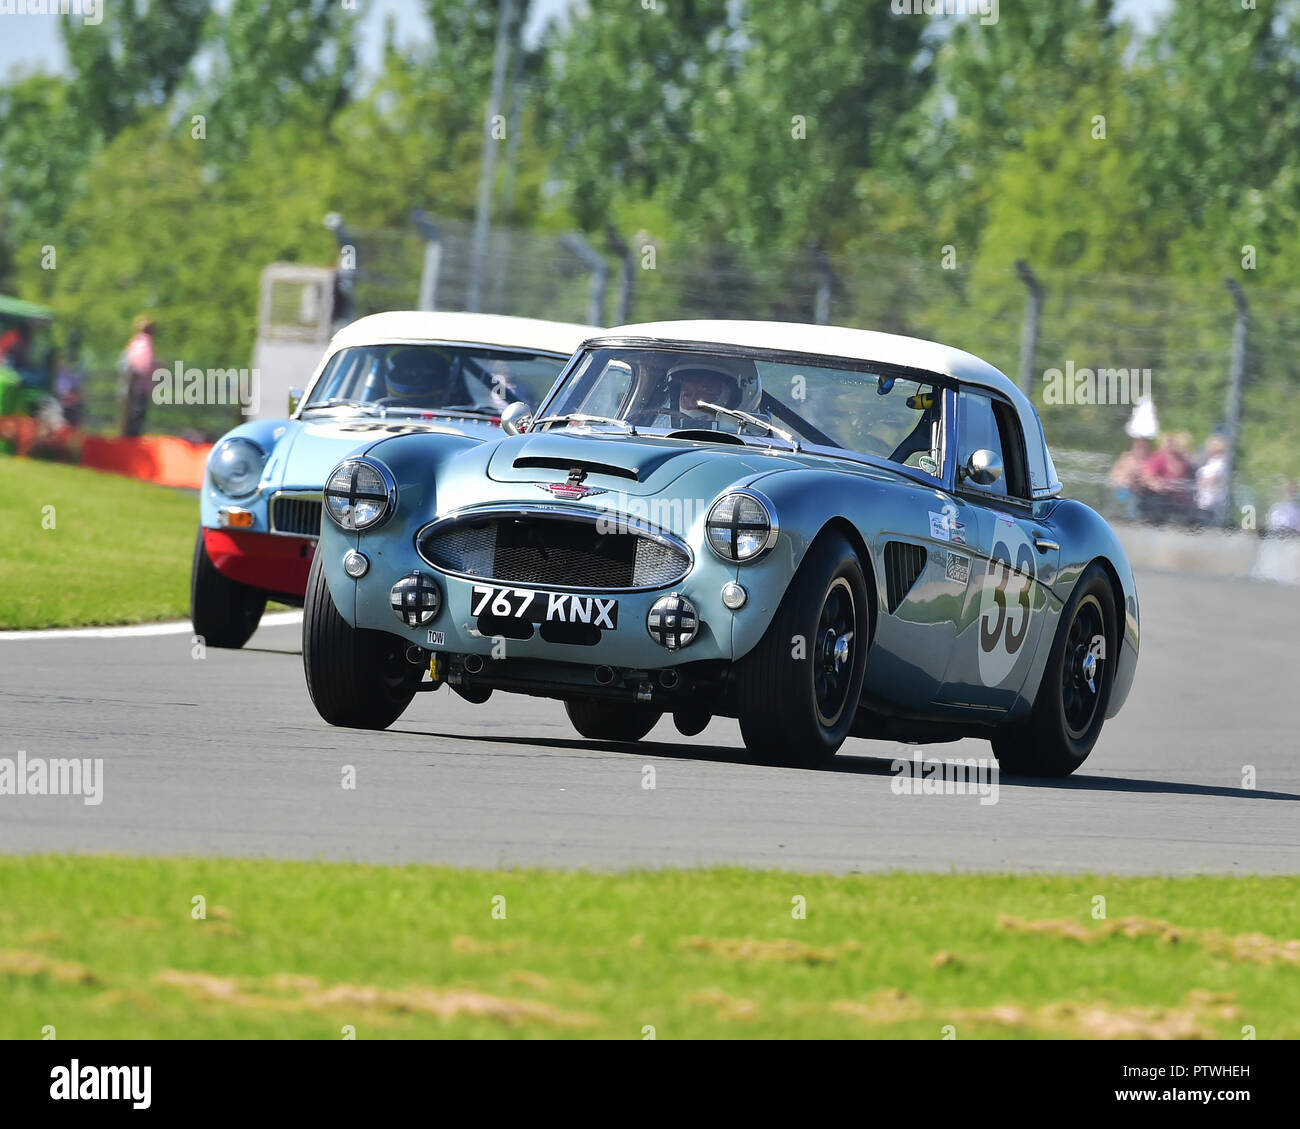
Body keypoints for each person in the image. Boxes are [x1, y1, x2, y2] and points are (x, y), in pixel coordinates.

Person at [1140, 432, 1194, 523]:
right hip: (1163, 499)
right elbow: (1147, 474)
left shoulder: (1182, 460)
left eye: (1173, 443)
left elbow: (1187, 477)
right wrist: (1157, 483)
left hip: (1180, 500)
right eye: (1169, 443)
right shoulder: (1159, 458)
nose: (1171, 446)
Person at [121, 315, 157, 437]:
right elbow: (143, 364)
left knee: (131, 410)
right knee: (137, 410)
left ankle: (129, 434)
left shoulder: (135, 341)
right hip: (139, 383)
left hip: (134, 381)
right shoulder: (144, 341)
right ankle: (132, 436)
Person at [1109, 436, 1151, 520]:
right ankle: (1118, 514)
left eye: (1143, 447)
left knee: (1135, 498)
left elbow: (1149, 478)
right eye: (1138, 447)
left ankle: (1132, 517)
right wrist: (1126, 481)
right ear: (1133, 447)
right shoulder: (1126, 458)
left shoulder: (1150, 461)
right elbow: (1114, 475)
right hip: (1123, 488)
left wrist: (1139, 481)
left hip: (1142, 491)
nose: (1141, 450)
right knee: (1123, 495)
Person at [1194, 433, 1230, 525]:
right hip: (1204, 501)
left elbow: (1214, 479)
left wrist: (1199, 482)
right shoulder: (1211, 461)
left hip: (1212, 502)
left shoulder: (1221, 462)